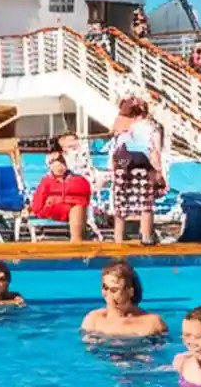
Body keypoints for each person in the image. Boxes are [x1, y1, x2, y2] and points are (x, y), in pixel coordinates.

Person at [109, 96, 166, 245]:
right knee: (145, 205)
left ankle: (118, 238)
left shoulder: (121, 125)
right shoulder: (152, 127)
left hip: (122, 167)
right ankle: (146, 236)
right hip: (143, 168)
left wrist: (113, 170)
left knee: (120, 206)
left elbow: (114, 149)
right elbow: (155, 151)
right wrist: (159, 172)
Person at [81, 259, 167, 337]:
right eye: (105, 287)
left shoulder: (151, 323)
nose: (108, 294)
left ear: (130, 292)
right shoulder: (94, 320)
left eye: (114, 290)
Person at [28, 148, 92, 242]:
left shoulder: (79, 180)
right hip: (53, 209)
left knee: (78, 207)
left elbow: (86, 197)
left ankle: (77, 241)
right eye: (55, 163)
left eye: (62, 163)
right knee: (78, 208)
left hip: (73, 210)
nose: (59, 166)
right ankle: (77, 241)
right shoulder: (47, 181)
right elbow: (38, 203)